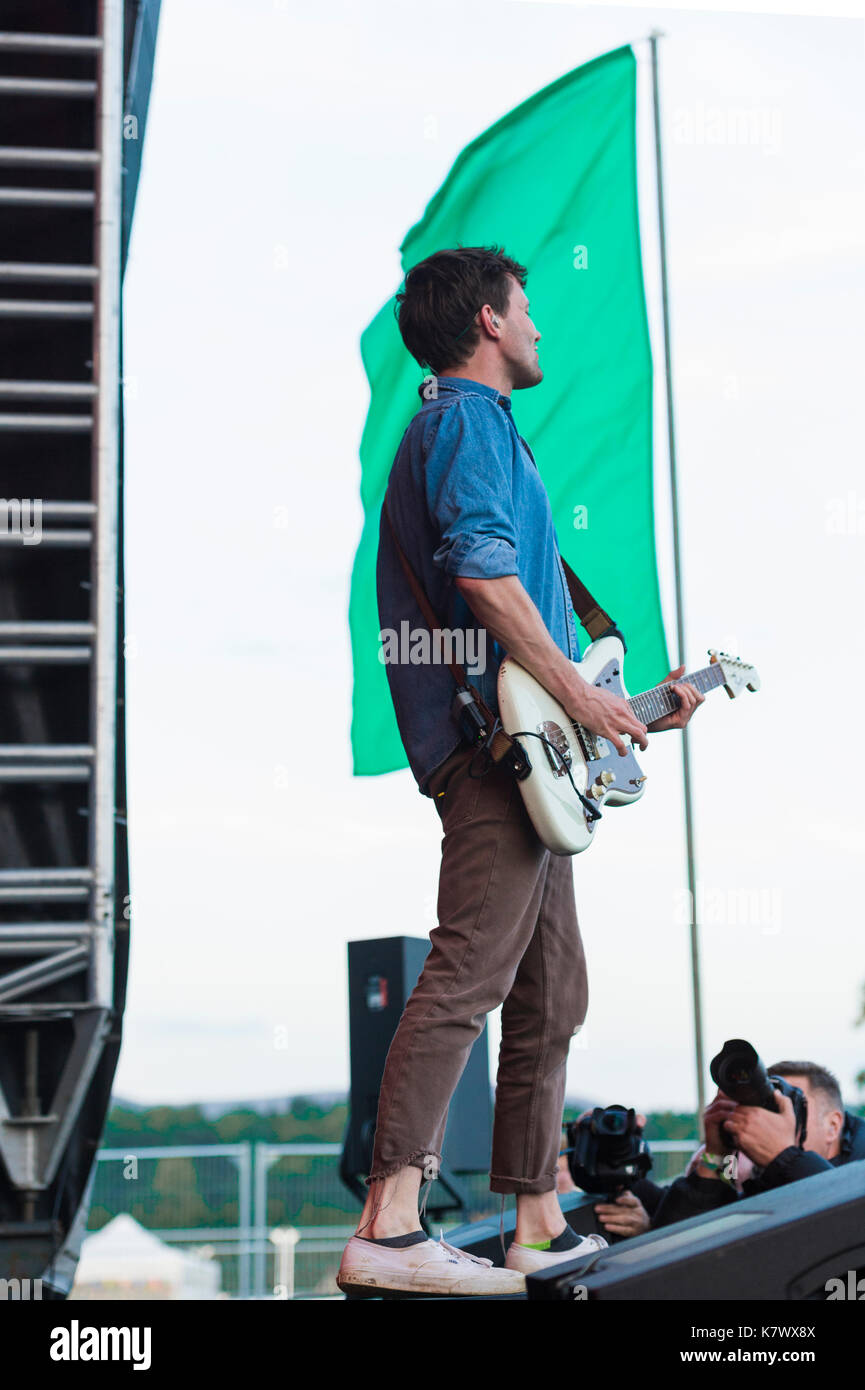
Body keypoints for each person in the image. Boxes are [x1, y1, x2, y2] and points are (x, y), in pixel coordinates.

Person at [336, 246, 704, 1297]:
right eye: (527, 311)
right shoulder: (463, 421)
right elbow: (482, 572)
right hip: (494, 755)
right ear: (489, 321)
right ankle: (390, 1222)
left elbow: (528, 650)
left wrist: (629, 711)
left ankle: (536, 1216)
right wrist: (586, 699)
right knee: (470, 970)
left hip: (528, 748)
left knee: (550, 989)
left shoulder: (478, 428)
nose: (539, 328)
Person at [651, 1060, 865, 1228]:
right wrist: (716, 1156)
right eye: (769, 1106)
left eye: (792, 1107)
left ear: (833, 1126)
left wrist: (785, 1157)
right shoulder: (754, 1173)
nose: (771, 1120)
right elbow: (677, 1248)